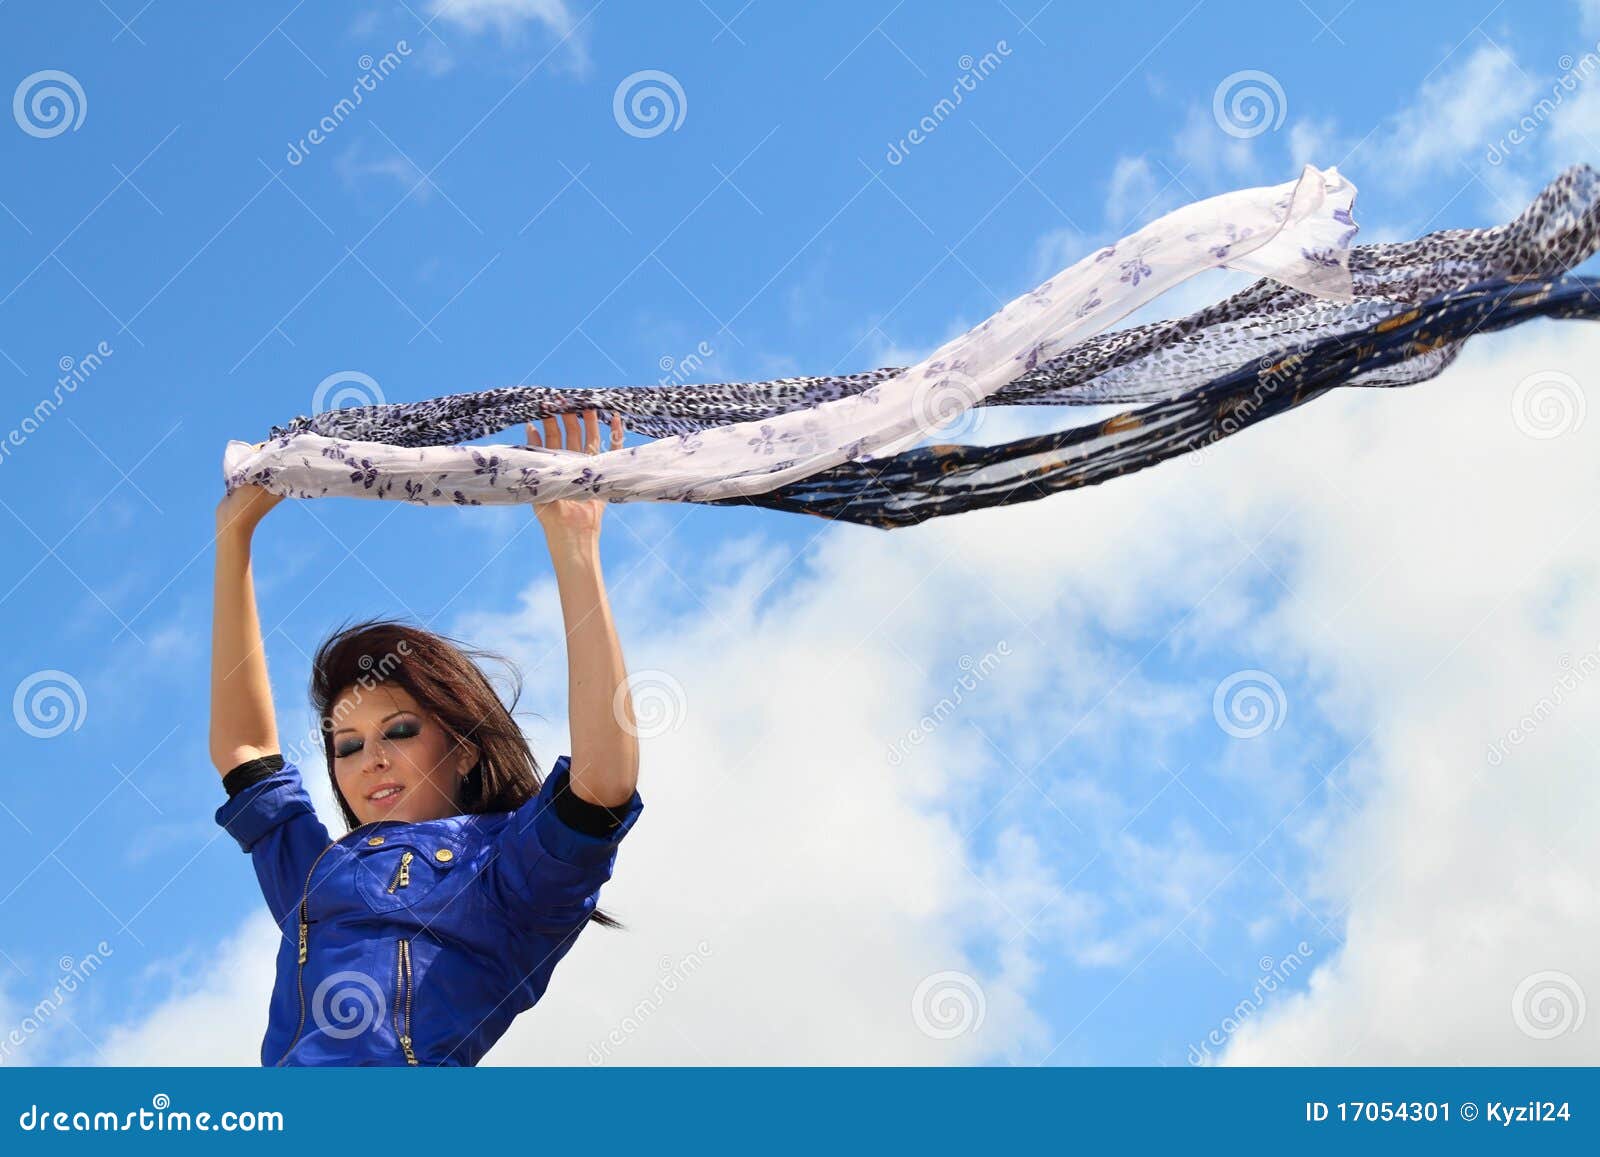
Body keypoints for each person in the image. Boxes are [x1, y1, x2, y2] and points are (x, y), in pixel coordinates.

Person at [208, 409, 642, 1066]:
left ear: (463, 744)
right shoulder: (316, 872)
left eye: (399, 730)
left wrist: (575, 548)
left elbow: (603, 781)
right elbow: (245, 752)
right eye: (346, 745)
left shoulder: (503, 871)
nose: (370, 758)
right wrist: (234, 534)